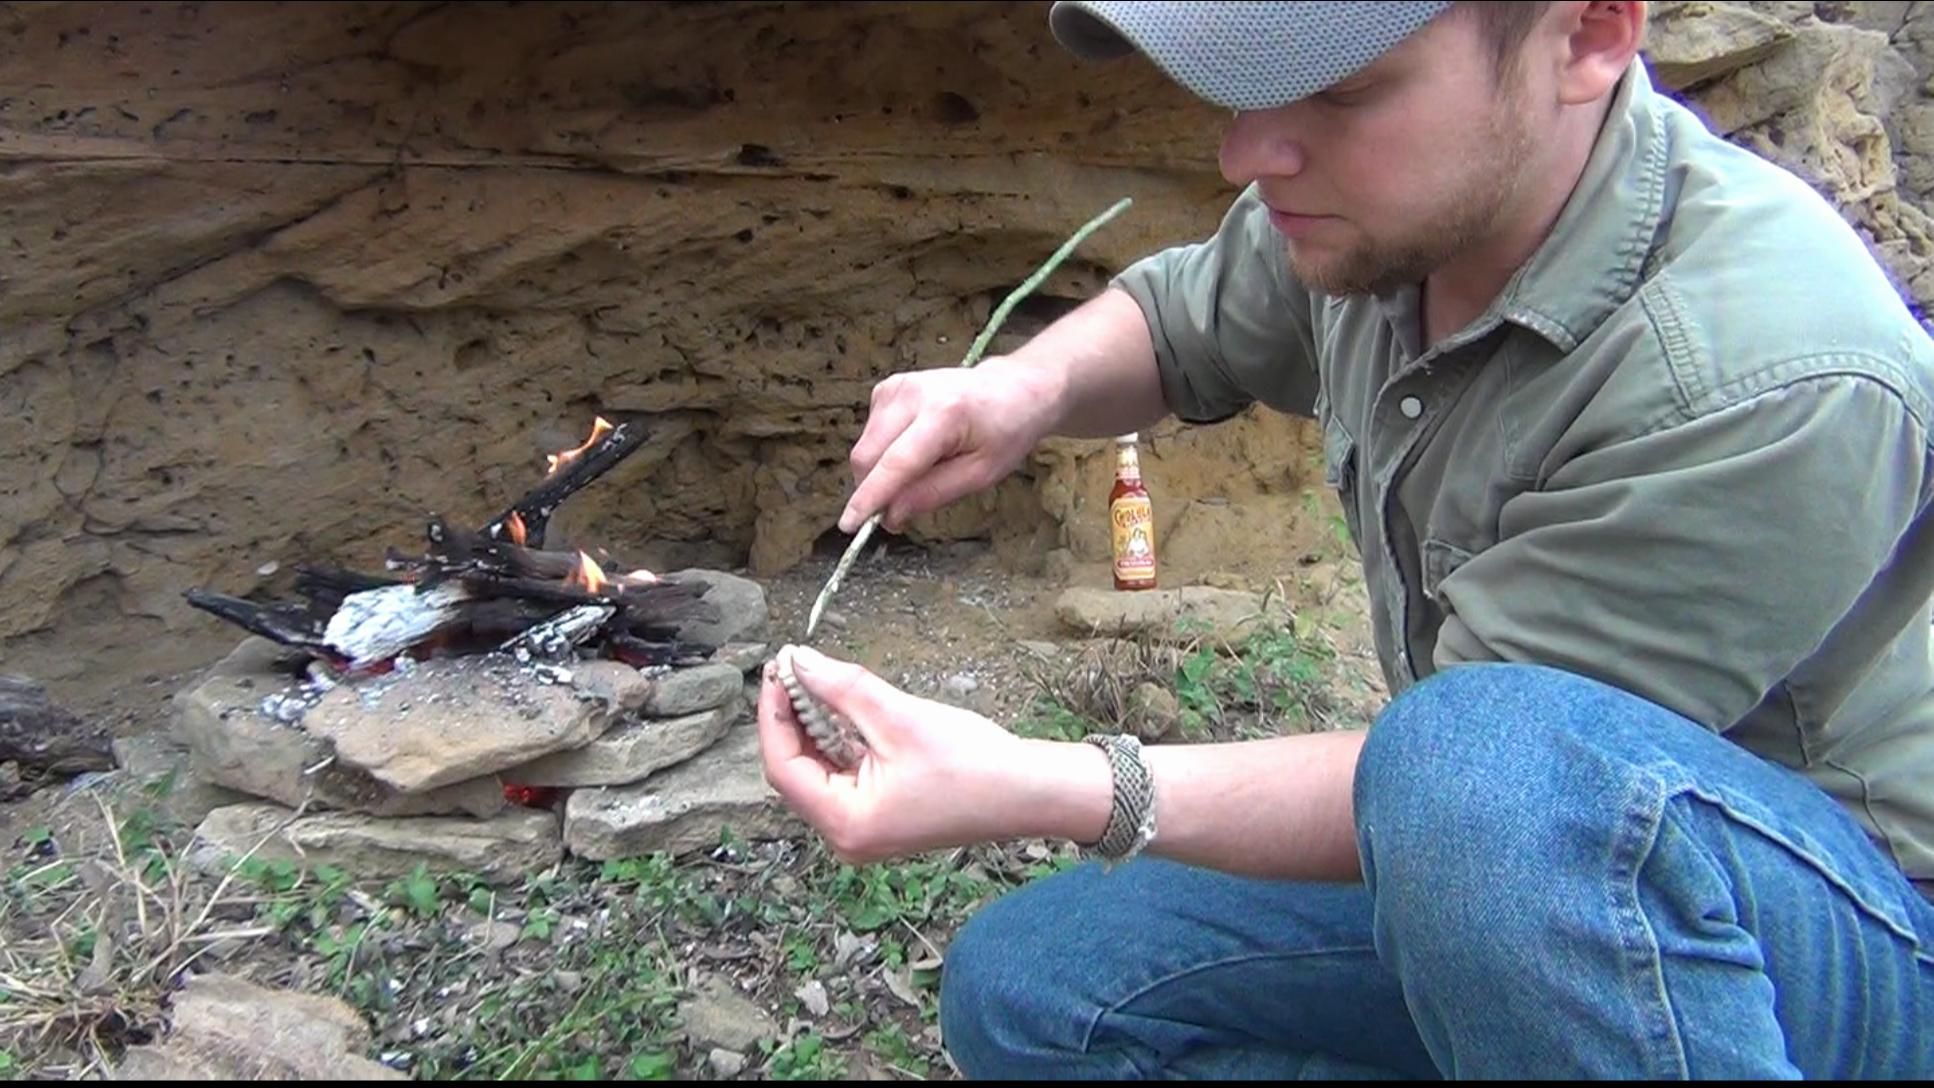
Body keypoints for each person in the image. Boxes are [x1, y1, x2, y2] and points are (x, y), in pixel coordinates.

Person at [755, 0, 1934, 1078]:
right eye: (1246, 85)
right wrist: (1020, 389)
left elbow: (1505, 786)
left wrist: (1042, 781)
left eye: (1343, 88)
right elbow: (1178, 322)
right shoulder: (1394, 216)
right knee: (1033, 989)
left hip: (1845, 923)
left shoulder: (1762, 370)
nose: (1246, 152)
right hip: (1518, 875)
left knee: (1483, 776)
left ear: (1585, 34)